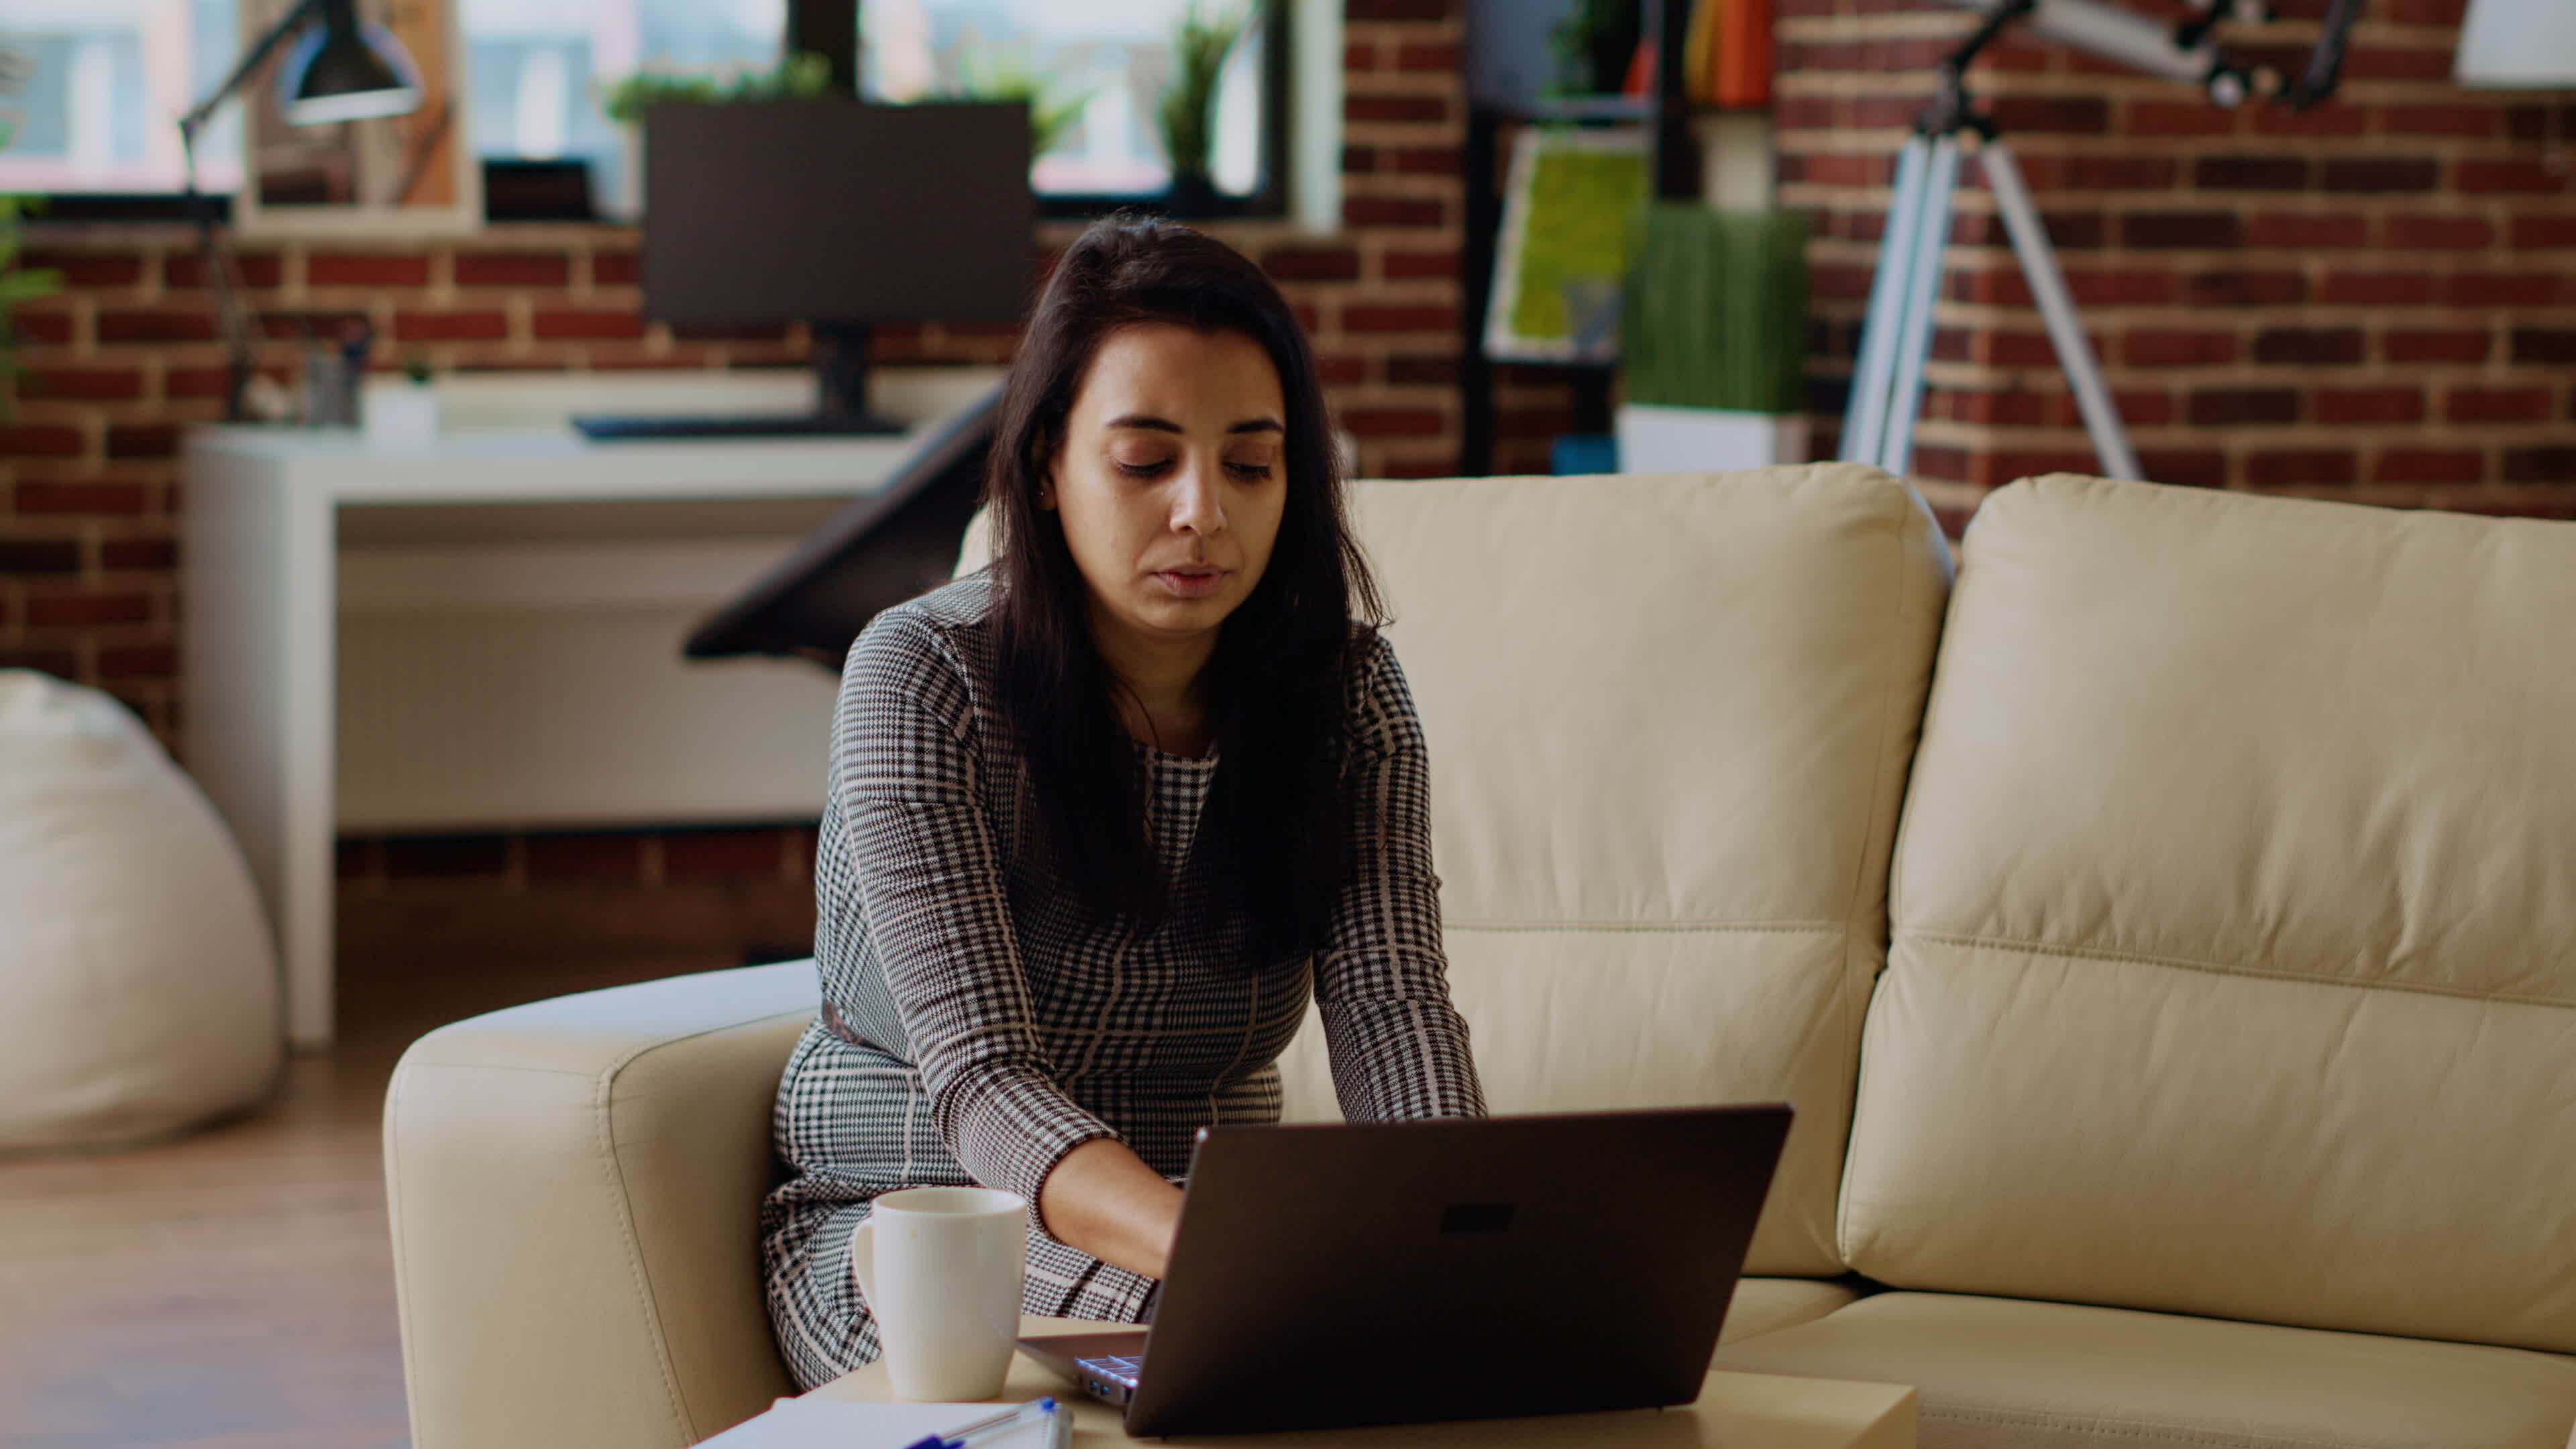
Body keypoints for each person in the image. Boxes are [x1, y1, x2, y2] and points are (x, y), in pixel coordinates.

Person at [760, 214, 1487, 1388]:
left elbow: (1395, 1018)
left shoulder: (1344, 695)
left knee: (1398, 1348)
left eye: (1251, 463)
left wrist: (1465, 1237)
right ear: (1047, 466)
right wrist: (1229, 1253)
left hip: (1215, 1219)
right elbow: (985, 1082)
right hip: (929, 1224)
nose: (1203, 509)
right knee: (1248, 1342)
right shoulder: (924, 676)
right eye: (1146, 461)